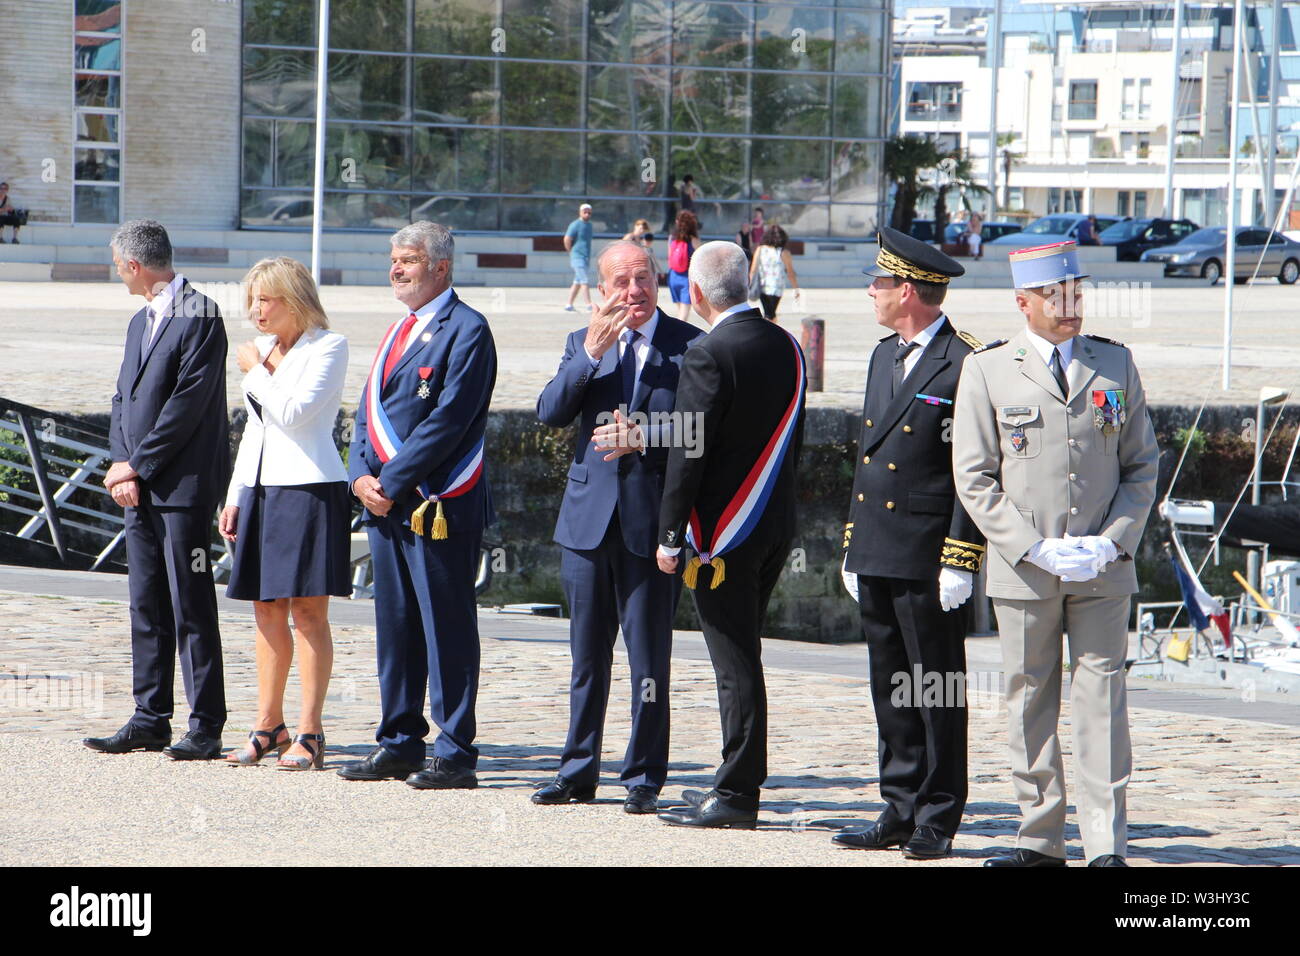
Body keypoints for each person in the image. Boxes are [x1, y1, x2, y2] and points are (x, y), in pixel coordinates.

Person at [952, 240, 1159, 867]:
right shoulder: (987, 370)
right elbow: (975, 477)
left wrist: (1112, 540)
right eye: (1053, 295)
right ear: (1023, 302)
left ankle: (1105, 846)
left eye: (1074, 293)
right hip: (1025, 573)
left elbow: (1141, 467)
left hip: (1101, 570)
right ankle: (1039, 840)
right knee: (1028, 702)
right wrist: (1034, 547)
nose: (1069, 305)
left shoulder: (1115, 365)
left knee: (1102, 709)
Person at [534, 240, 704, 814]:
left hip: (652, 524)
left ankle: (643, 776)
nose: (633, 292)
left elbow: (702, 433)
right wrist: (588, 354)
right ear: (602, 289)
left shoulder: (690, 346)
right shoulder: (583, 343)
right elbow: (550, 412)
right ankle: (577, 770)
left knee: (649, 660)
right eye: (621, 282)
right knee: (586, 657)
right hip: (586, 524)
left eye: (643, 279)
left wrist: (646, 435)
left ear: (659, 280)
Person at [832, 227, 983, 861]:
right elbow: (867, 457)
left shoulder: (967, 360)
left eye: (881, 283)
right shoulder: (880, 355)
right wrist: (850, 542)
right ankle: (898, 804)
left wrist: (960, 555)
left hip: (928, 552)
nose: (872, 291)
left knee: (936, 686)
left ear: (912, 291)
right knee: (890, 683)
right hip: (877, 545)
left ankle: (938, 812)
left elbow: (978, 468)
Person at [339, 221, 498, 790]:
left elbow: (449, 423)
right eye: (394, 260)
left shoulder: (469, 330)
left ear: (441, 267)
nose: (396, 269)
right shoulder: (397, 330)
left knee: (446, 627)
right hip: (385, 505)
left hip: (436, 505)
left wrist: (391, 482)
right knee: (397, 626)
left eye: (408, 260)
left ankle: (455, 750)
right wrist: (359, 475)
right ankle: (399, 740)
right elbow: (365, 412)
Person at [654, 241, 806, 830]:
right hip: (773, 524)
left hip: (725, 534)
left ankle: (739, 792)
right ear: (746, 283)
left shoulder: (707, 352)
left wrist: (670, 535)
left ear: (695, 294)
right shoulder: (786, 344)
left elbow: (689, 455)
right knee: (743, 653)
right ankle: (735, 780)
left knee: (733, 661)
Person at [84, 220, 231, 760]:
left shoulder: (201, 314)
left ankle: (206, 724)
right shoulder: (137, 321)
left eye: (116, 264)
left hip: (183, 487)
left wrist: (135, 467)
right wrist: (121, 463)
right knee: (145, 603)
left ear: (132, 265)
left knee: (191, 602)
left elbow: (186, 408)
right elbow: (123, 399)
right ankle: (150, 716)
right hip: (139, 486)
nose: (116, 273)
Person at [218, 257, 350, 771]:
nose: (256, 309)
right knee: (265, 608)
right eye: (251, 299)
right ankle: (268, 725)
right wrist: (234, 494)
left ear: (293, 298)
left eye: (264, 299)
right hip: (262, 490)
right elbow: (257, 430)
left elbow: (294, 415)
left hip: (311, 489)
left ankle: (311, 732)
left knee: (309, 613)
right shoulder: (267, 351)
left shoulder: (329, 347)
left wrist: (255, 371)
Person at [748, 225, 801, 320]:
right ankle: (769, 333)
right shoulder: (784, 253)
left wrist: (749, 284)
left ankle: (770, 332)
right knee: (770, 315)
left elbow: (753, 270)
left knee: (769, 314)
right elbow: (790, 273)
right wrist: (796, 288)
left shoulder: (760, 249)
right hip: (776, 288)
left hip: (762, 286)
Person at [666, 210, 701, 323]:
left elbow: (669, 257)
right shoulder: (694, 240)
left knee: (680, 311)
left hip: (673, 276)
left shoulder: (672, 238)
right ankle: (677, 339)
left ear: (677, 222)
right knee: (683, 316)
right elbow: (700, 261)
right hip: (687, 278)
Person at [564, 203, 595, 312]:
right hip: (577, 257)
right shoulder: (575, 224)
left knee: (577, 282)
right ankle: (589, 304)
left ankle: (569, 304)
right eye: (585, 212)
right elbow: (567, 239)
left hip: (586, 257)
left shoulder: (590, 225)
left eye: (589, 212)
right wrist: (571, 252)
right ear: (580, 212)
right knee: (584, 280)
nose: (587, 214)